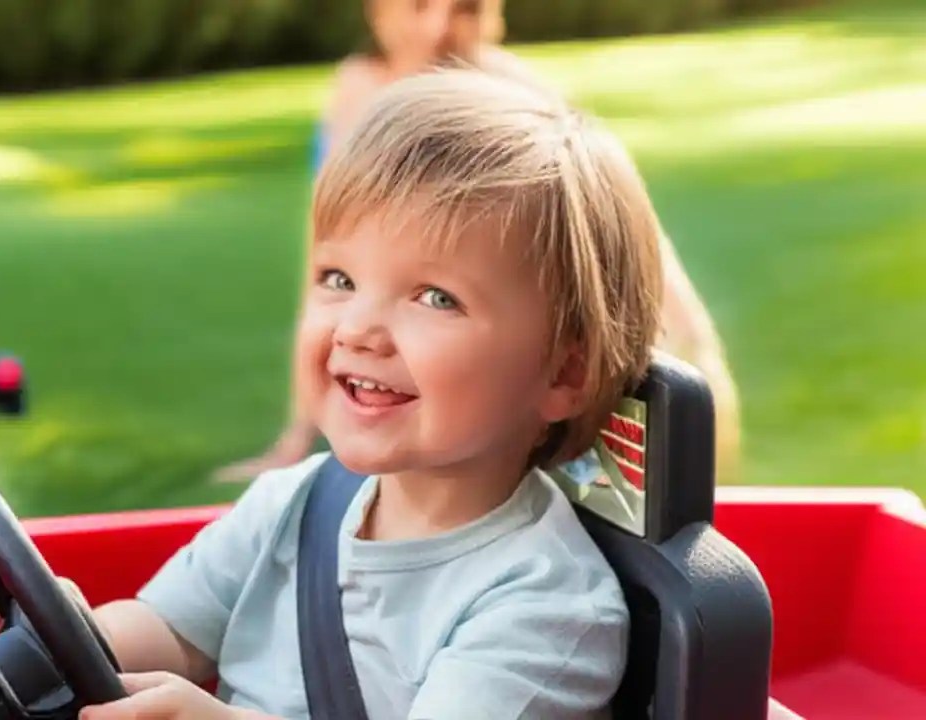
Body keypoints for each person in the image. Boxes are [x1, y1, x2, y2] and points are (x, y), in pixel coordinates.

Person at [0, 68, 667, 719]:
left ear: (562, 376)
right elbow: (171, 628)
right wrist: (71, 638)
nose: (358, 327)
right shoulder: (293, 505)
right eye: (339, 279)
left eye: (434, 296)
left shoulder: (545, 604)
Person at [217, 0, 742, 485]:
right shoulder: (359, 91)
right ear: (379, 11)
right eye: (421, 5)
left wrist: (694, 334)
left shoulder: (513, 91)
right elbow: (326, 258)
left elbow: (613, 219)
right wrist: (298, 430)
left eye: (463, 7)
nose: (440, 26)